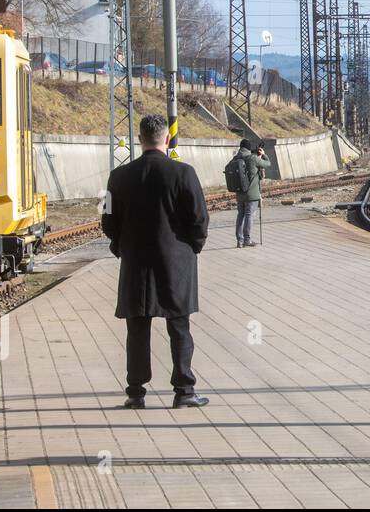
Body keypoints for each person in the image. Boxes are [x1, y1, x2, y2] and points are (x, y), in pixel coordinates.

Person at [101, 114, 210, 410]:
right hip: (176, 264)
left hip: (136, 263)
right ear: (166, 139)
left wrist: (121, 246)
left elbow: (108, 221)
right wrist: (192, 248)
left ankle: (136, 392)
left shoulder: (118, 177)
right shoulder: (184, 173)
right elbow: (199, 219)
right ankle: (184, 390)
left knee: (137, 329)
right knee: (179, 327)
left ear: (140, 139)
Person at [232, 138, 272, 248]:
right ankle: (247, 240)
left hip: (239, 193)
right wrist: (263, 154)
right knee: (249, 215)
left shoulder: (235, 158)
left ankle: (239, 241)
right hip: (252, 194)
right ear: (249, 148)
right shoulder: (253, 158)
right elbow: (268, 164)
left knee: (240, 215)